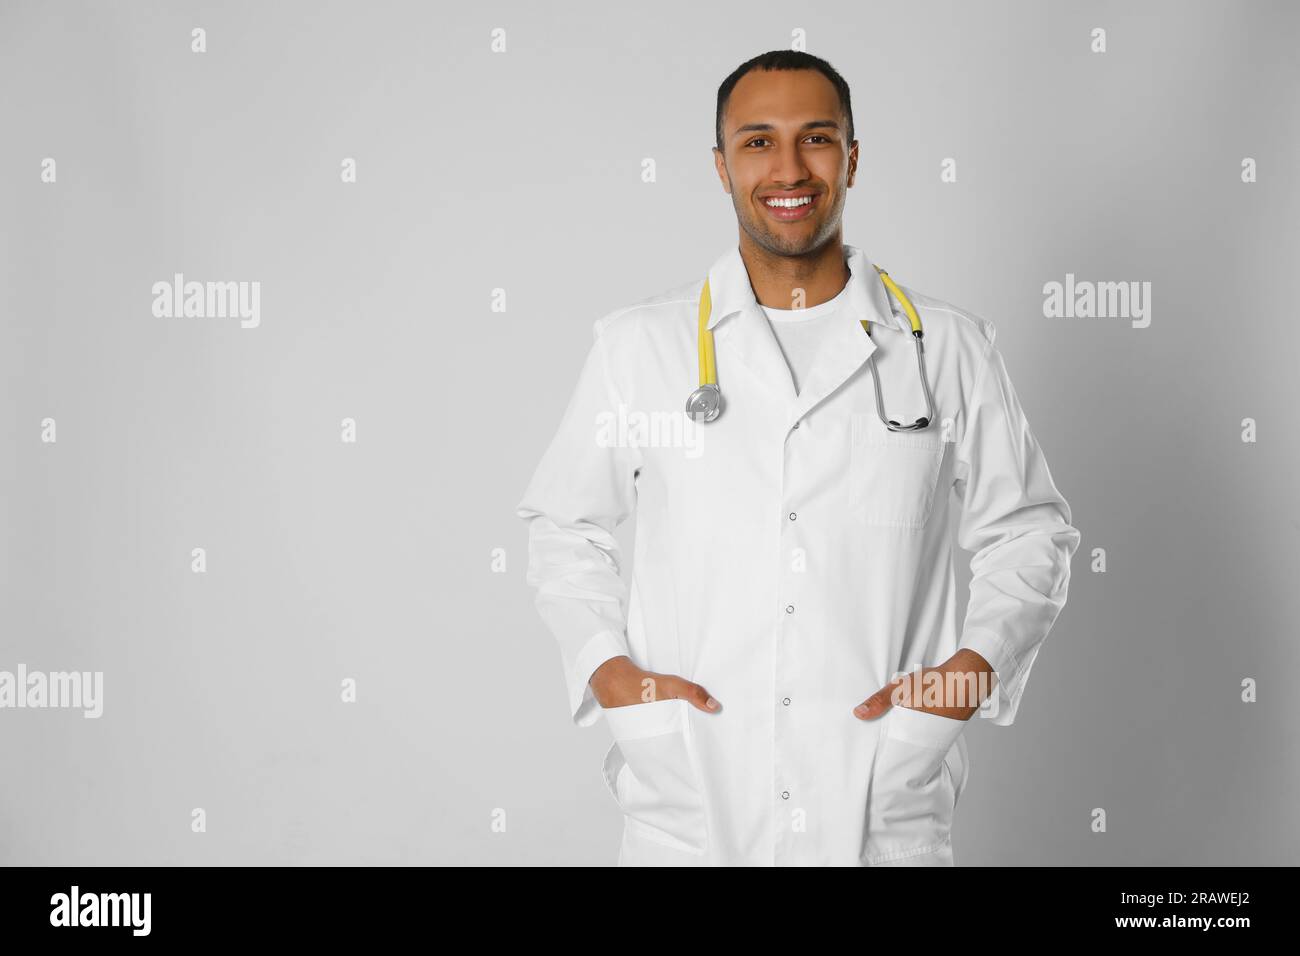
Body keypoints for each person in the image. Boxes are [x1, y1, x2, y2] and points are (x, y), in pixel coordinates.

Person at [515, 49, 1081, 866]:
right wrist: (611, 674)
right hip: (691, 804)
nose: (789, 167)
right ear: (720, 166)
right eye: (757, 142)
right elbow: (565, 531)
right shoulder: (640, 347)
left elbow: (1030, 534)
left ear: (851, 157)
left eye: (816, 139)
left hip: (881, 804)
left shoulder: (946, 348)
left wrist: (967, 674)